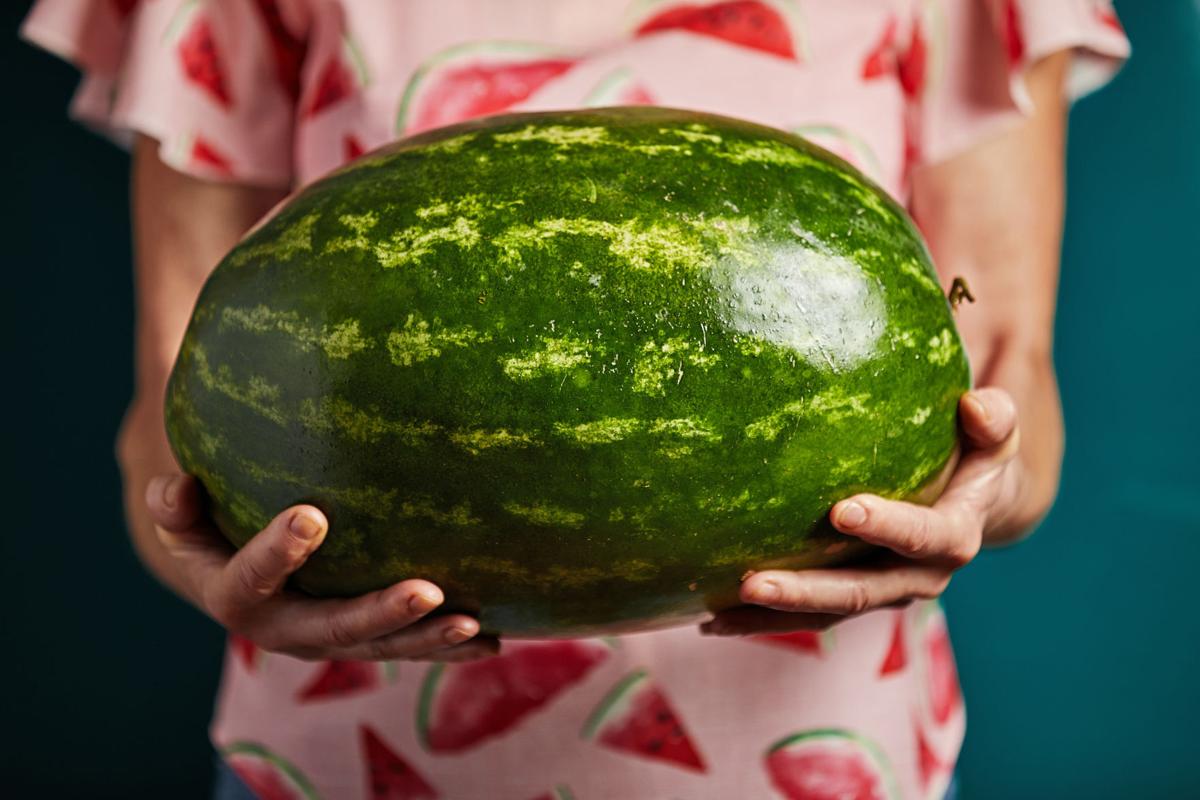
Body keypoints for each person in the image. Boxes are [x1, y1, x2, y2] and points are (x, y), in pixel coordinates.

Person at [23, 1, 1128, 797]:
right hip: (342, 762)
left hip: (824, 763)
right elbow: (169, 429)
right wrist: (211, 567)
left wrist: (983, 494)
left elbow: (1011, 380)